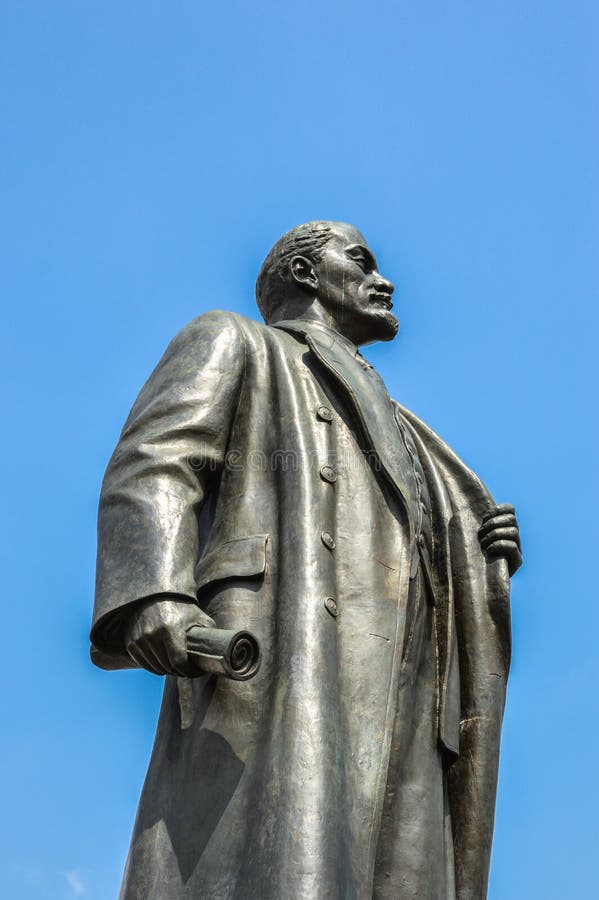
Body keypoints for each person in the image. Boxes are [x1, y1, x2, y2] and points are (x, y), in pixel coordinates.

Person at [91, 221, 521, 900]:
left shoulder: (412, 431)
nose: (384, 280)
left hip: (407, 689)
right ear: (303, 272)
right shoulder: (237, 342)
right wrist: (155, 596)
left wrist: (477, 545)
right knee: (285, 861)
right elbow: (156, 463)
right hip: (283, 646)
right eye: (360, 260)